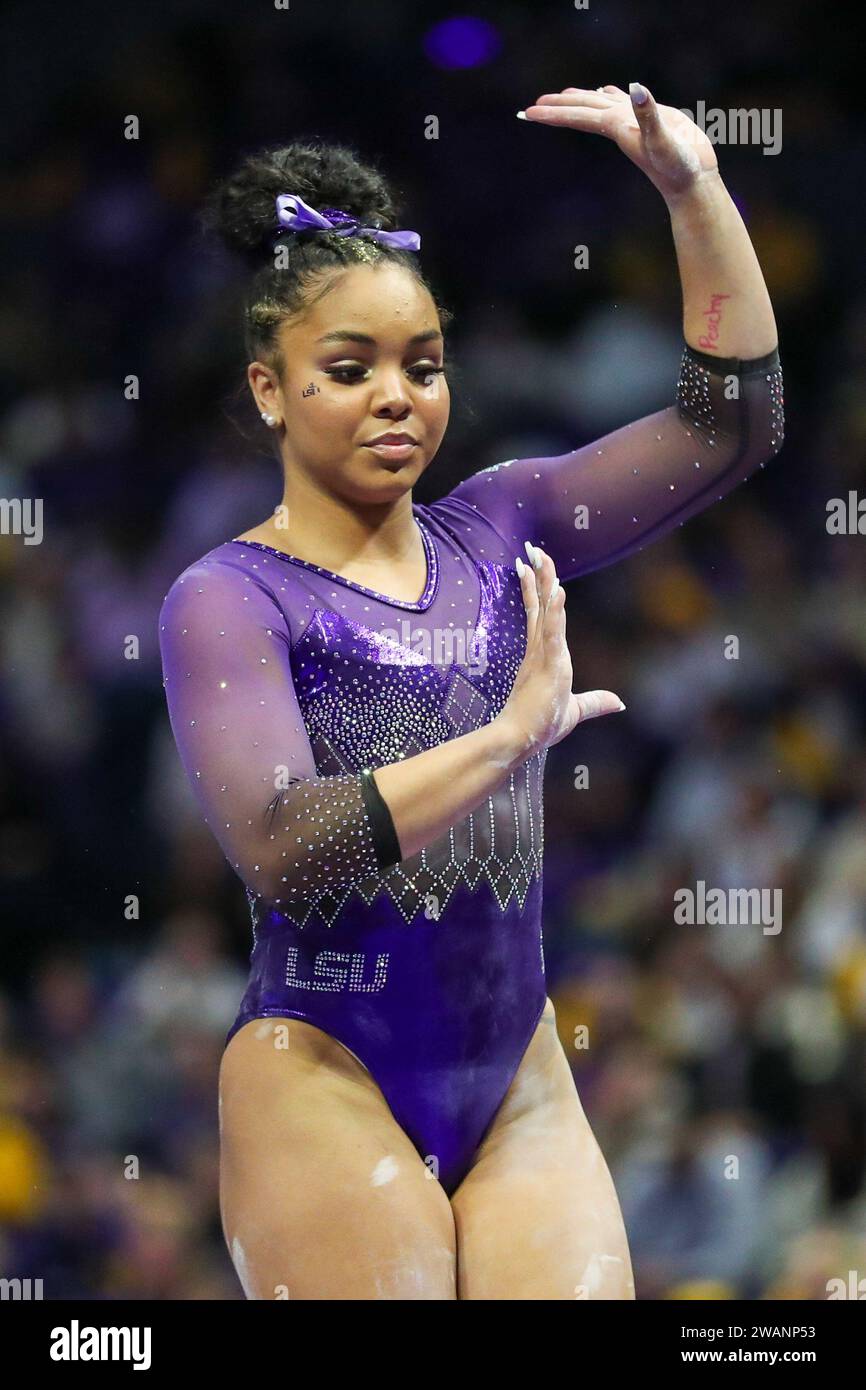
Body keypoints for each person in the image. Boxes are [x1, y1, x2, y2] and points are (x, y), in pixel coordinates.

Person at [158, 82, 783, 1299]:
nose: (398, 394)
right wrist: (503, 740)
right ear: (268, 390)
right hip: (322, 1063)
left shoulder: (502, 523)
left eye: (422, 363)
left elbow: (730, 425)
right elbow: (286, 849)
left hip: (517, 1072)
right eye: (349, 368)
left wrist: (691, 192)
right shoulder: (229, 597)